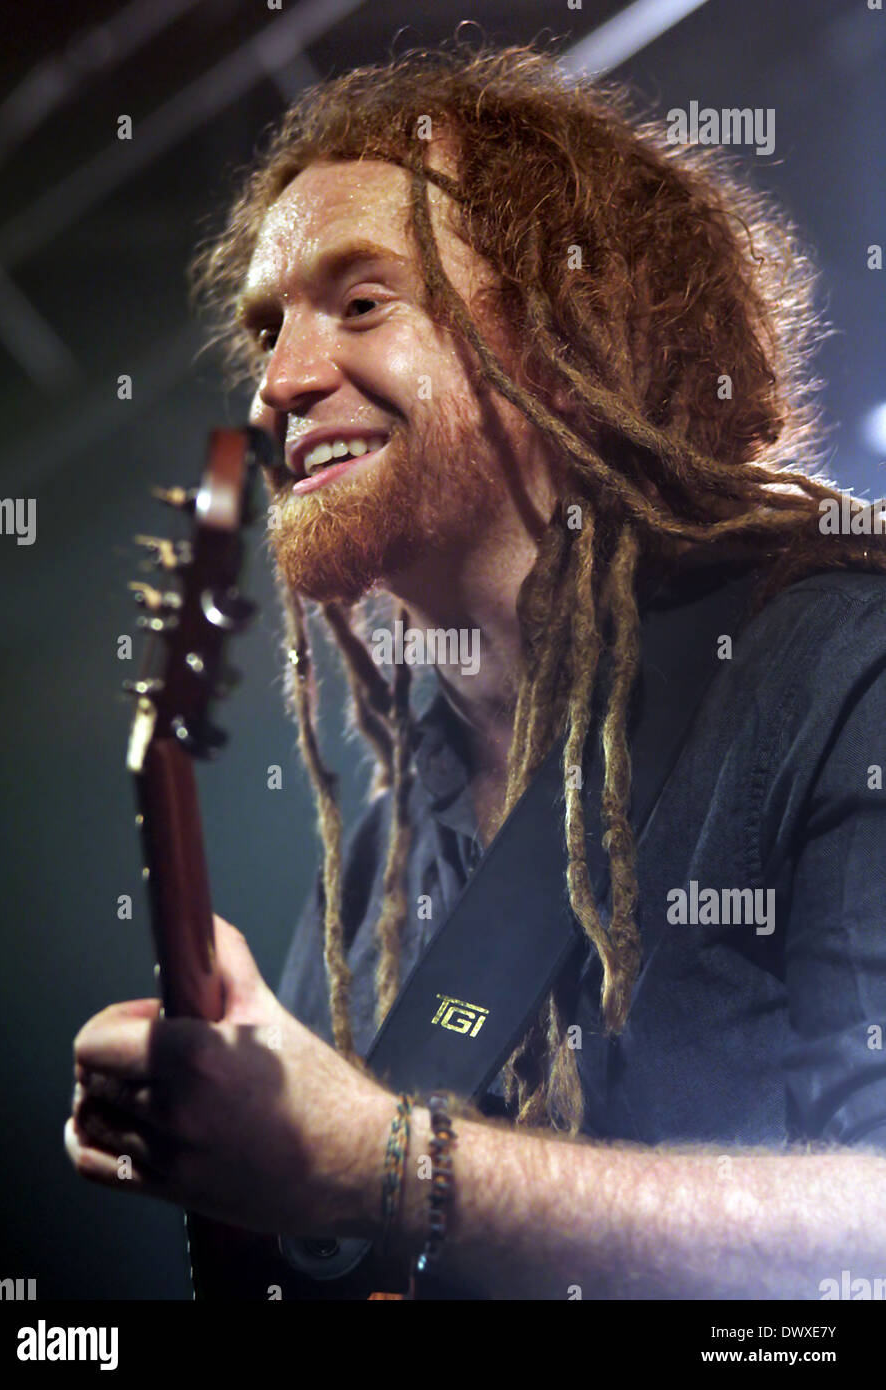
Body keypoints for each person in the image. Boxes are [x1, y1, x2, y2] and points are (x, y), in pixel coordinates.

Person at [66, 43, 886, 1299]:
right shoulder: (380, 857)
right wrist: (230, 1169)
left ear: (566, 332)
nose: (282, 383)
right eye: (268, 327)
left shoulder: (838, 671)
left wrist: (392, 1166)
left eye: (362, 302)